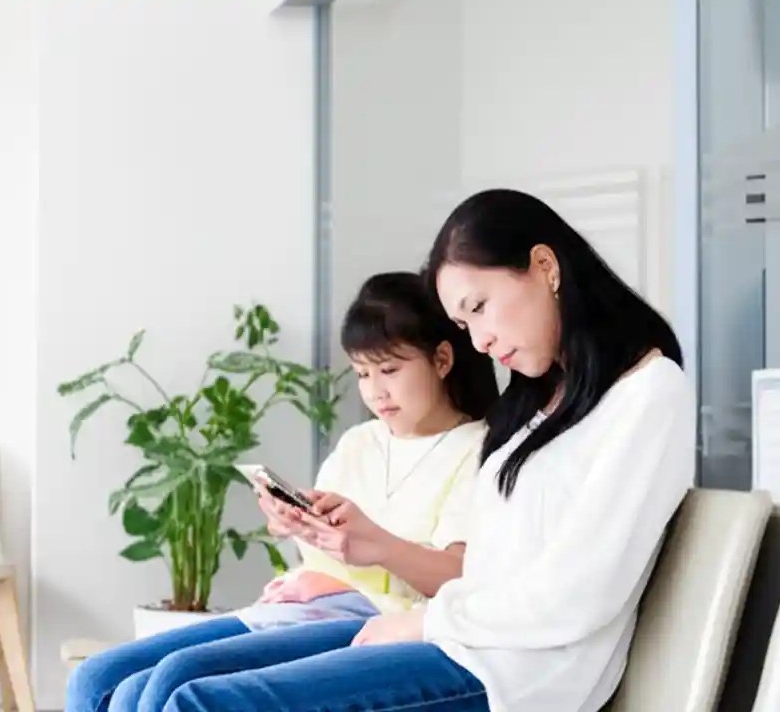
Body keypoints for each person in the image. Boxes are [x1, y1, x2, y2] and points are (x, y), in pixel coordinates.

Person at [156, 189, 694, 712]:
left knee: (201, 702)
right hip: (460, 644)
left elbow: (577, 596)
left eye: (479, 307)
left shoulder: (648, 393)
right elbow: (490, 569)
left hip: (517, 681)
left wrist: (426, 621)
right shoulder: (534, 406)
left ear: (545, 266)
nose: (479, 341)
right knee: (172, 688)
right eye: (465, 323)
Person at [64, 271, 499, 712]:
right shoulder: (359, 443)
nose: (375, 391)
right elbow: (328, 545)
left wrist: (369, 550)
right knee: (96, 678)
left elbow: (459, 577)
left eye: (389, 370)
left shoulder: (480, 450)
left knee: (169, 683)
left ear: (442, 360)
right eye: (363, 373)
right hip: (306, 604)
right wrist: (295, 524)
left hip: (378, 615)